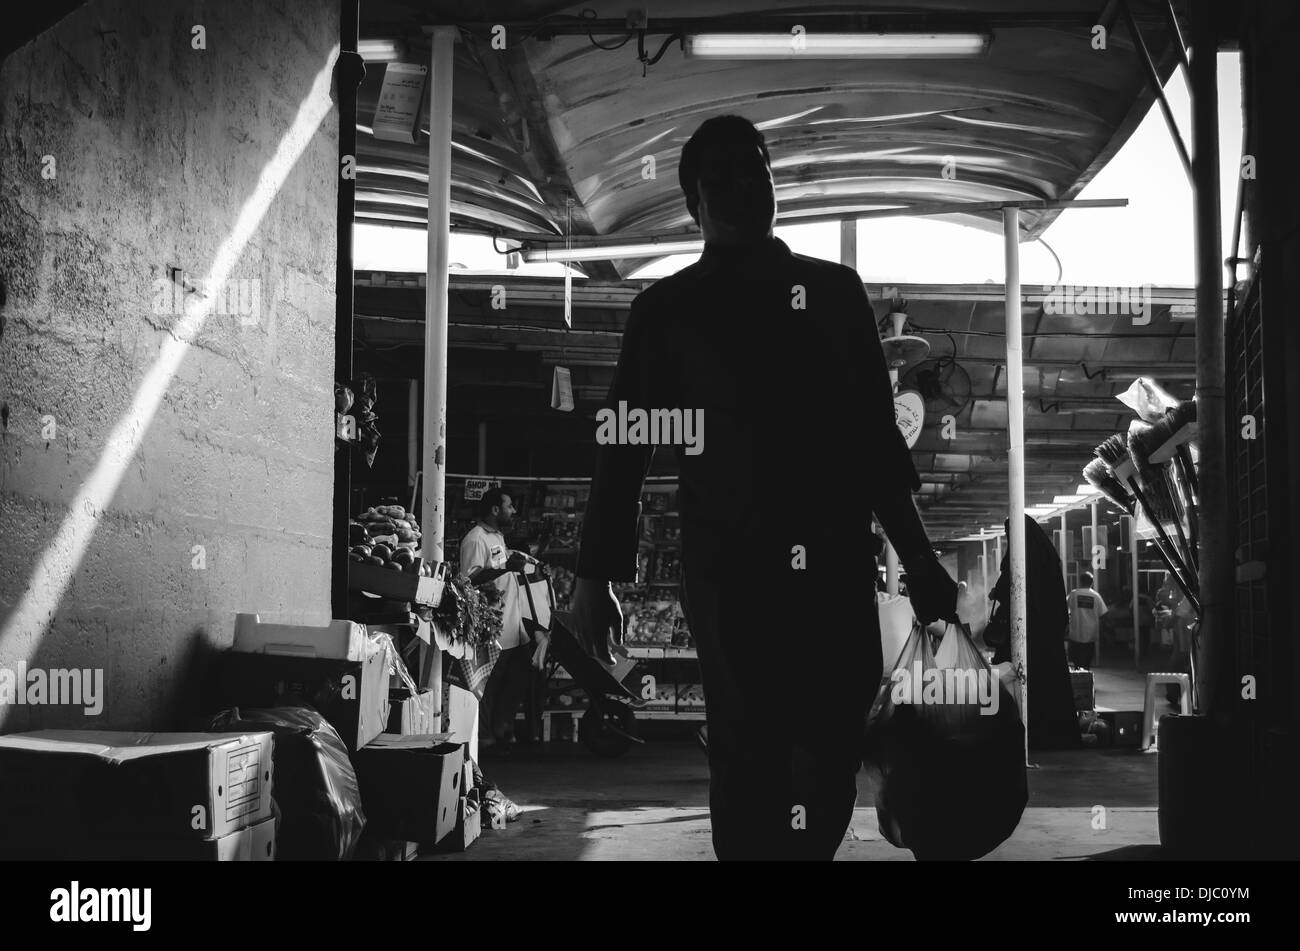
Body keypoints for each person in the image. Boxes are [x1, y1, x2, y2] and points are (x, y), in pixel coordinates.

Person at [568, 114, 957, 861]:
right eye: (723, 178)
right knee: (749, 750)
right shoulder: (665, 313)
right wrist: (596, 575)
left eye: (757, 172)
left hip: (832, 568)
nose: (745, 188)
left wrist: (924, 560)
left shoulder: (835, 295)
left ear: (775, 186)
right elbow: (625, 447)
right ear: (696, 203)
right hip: (730, 578)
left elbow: (875, 446)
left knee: (833, 741)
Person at [985, 516, 1080, 750]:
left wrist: (997, 592)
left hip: (1022, 633)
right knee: (1047, 684)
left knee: (1009, 679)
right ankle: (1049, 735)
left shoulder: (1018, 558)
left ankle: (1016, 732)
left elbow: (1010, 588)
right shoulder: (1047, 557)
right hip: (1047, 637)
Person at [459, 487, 537, 751]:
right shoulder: (476, 538)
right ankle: (485, 736)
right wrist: (505, 567)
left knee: (518, 677)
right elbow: (469, 578)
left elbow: (499, 570)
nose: (513, 511)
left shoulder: (497, 537)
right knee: (490, 684)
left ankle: (503, 727)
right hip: (493, 628)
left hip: (513, 626)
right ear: (495, 509)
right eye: (509, 506)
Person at [1065, 572, 1108, 669]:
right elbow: (1104, 614)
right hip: (1090, 636)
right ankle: (1085, 679)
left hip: (1076, 634)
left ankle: (1078, 679)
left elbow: (1065, 610)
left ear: (1079, 582)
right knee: (1087, 663)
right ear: (1092, 582)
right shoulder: (1096, 596)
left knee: (1077, 663)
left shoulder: (1073, 594)